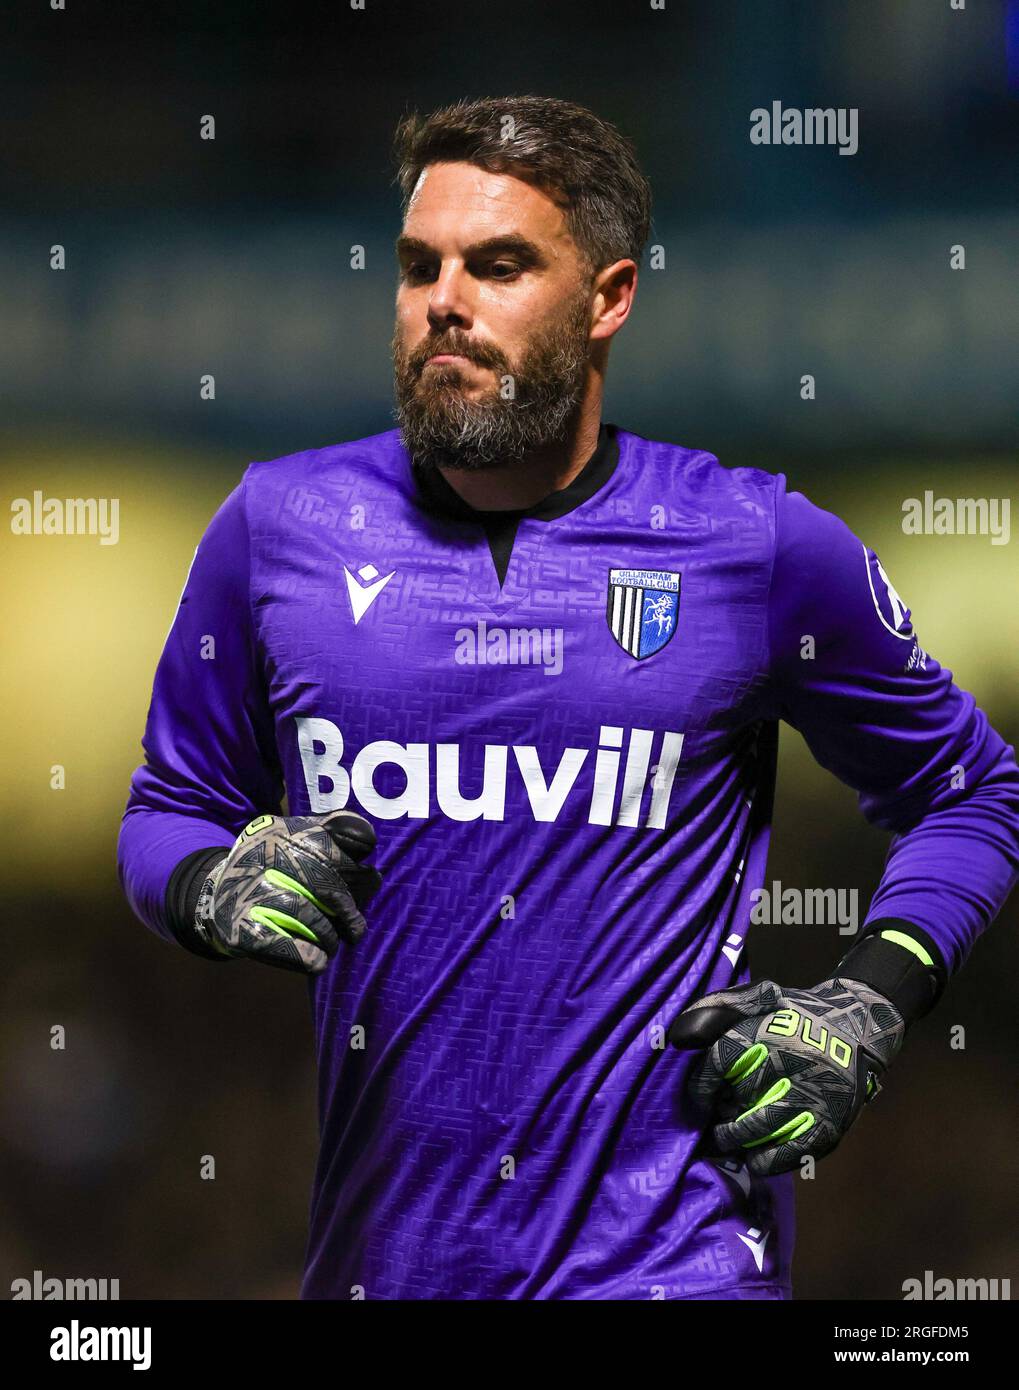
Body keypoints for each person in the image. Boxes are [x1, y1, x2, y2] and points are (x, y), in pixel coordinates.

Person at [117, 95, 1019, 1300]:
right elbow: (167, 806)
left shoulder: (754, 546)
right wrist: (203, 883)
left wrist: (871, 994)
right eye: (416, 264)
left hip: (673, 1269)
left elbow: (971, 791)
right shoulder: (275, 528)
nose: (444, 298)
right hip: (382, 1267)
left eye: (497, 265)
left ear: (608, 298)